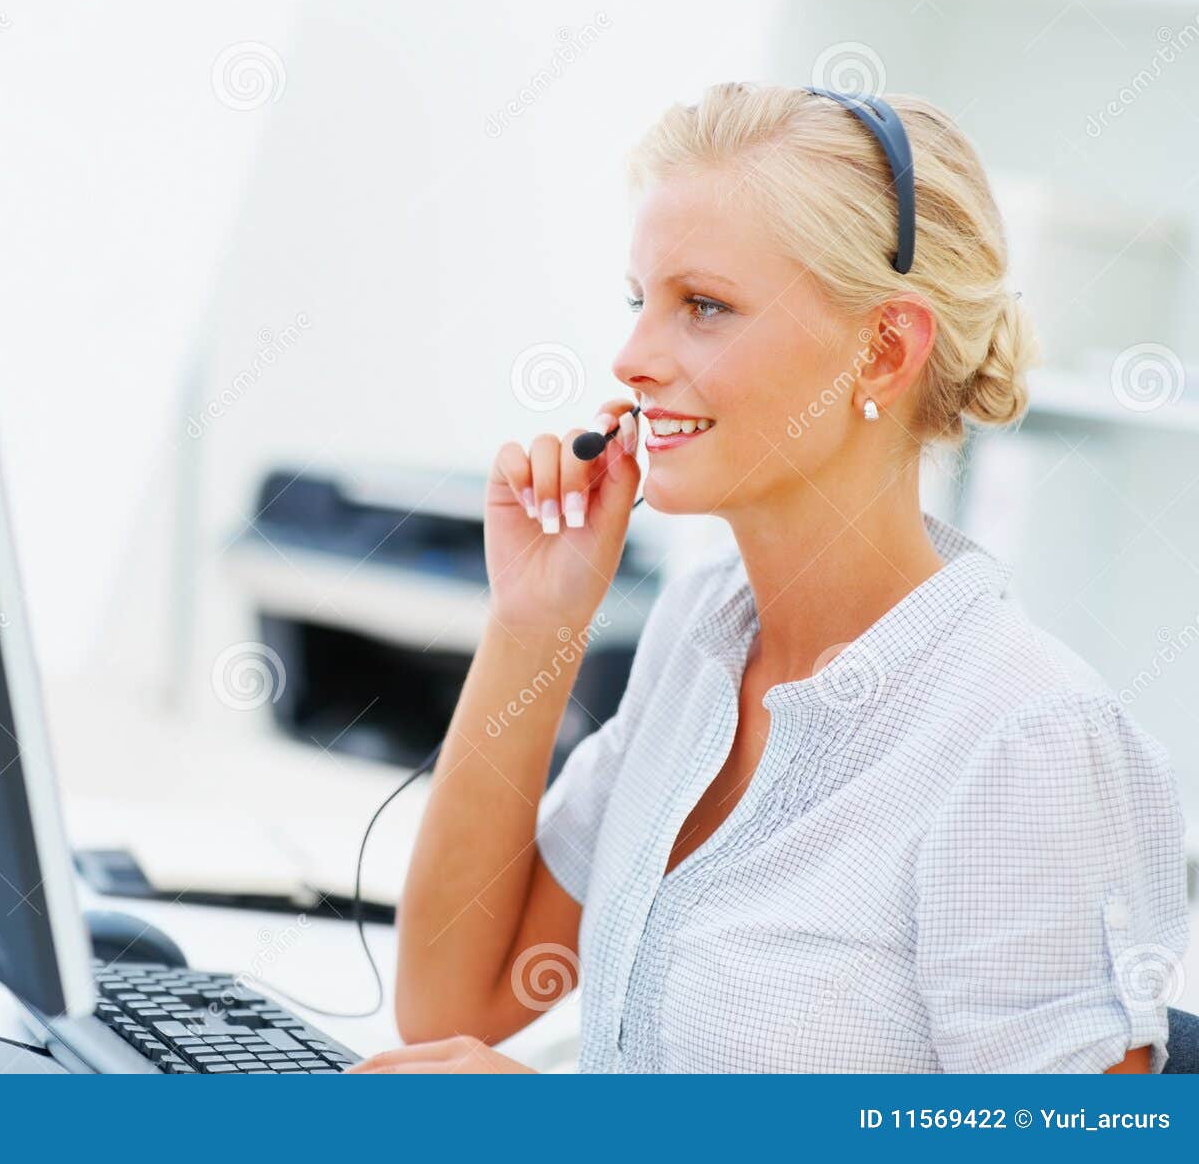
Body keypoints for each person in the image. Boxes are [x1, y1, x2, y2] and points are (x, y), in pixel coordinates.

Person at [348, 81, 1190, 1074]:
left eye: (703, 306)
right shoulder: (699, 633)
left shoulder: (1023, 738)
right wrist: (534, 624)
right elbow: (454, 997)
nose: (631, 357)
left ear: (882, 351)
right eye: (639, 301)